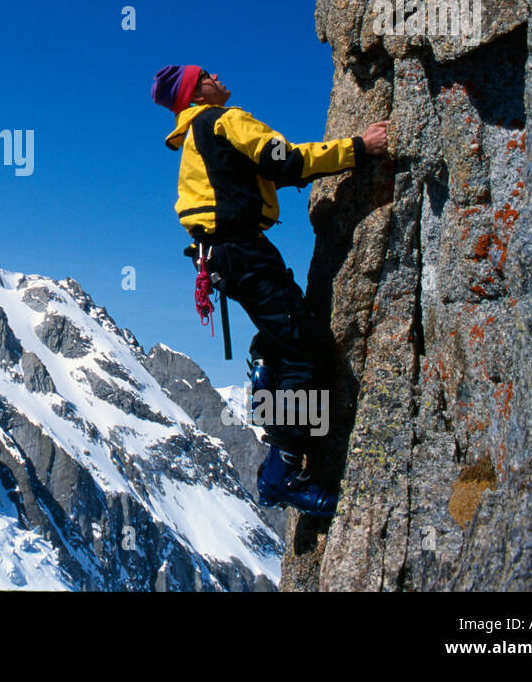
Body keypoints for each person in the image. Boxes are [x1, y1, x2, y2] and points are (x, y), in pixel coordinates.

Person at [151, 63, 389, 517]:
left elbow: (269, 170)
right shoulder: (224, 120)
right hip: (244, 253)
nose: (218, 74)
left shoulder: (198, 137)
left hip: (224, 259)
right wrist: (361, 148)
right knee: (307, 348)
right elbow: (286, 159)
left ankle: (266, 370)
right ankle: (282, 471)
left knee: (286, 339)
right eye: (207, 73)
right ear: (196, 91)